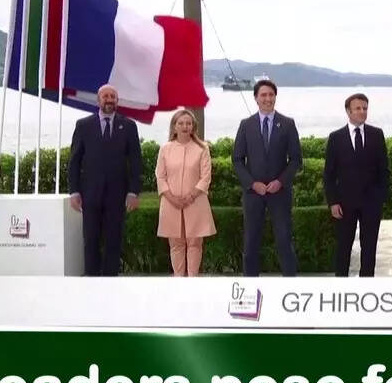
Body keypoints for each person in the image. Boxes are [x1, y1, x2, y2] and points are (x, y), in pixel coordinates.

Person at [68, 84, 142, 276]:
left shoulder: (128, 126)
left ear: (117, 101)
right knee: (90, 239)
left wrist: (133, 192)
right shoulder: (83, 125)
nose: (109, 100)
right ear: (98, 100)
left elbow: (135, 161)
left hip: (117, 195)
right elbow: (74, 160)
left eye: (112, 96)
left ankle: (111, 280)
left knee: (114, 240)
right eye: (105, 96)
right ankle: (92, 279)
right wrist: (74, 191)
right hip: (90, 194)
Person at [231, 77, 303, 277]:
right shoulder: (246, 125)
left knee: (284, 240)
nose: (267, 98)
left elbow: (296, 159)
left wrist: (280, 181)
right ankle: (250, 286)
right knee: (251, 241)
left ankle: (290, 285)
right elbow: (237, 159)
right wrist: (252, 184)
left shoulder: (287, 124)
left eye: (271, 95)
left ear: (275, 97)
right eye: (263, 95)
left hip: (279, 193)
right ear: (256, 98)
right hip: (253, 194)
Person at [323, 93, 389, 277]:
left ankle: (365, 285)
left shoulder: (377, 135)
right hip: (345, 204)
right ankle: (341, 286)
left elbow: (384, 169)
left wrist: (380, 197)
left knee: (369, 248)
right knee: (343, 247)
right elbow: (329, 174)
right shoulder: (336, 138)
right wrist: (333, 202)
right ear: (348, 111)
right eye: (358, 108)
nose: (362, 112)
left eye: (365, 108)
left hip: (371, 203)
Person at [155, 109, 217, 276]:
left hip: (196, 202)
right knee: (176, 244)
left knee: (195, 243)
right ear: (174, 126)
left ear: (193, 126)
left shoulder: (202, 148)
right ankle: (179, 280)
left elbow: (206, 177)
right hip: (170, 203)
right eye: (181, 123)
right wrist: (172, 198)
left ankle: (192, 280)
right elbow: (160, 176)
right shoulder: (165, 149)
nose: (185, 126)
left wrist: (190, 196)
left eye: (188, 123)